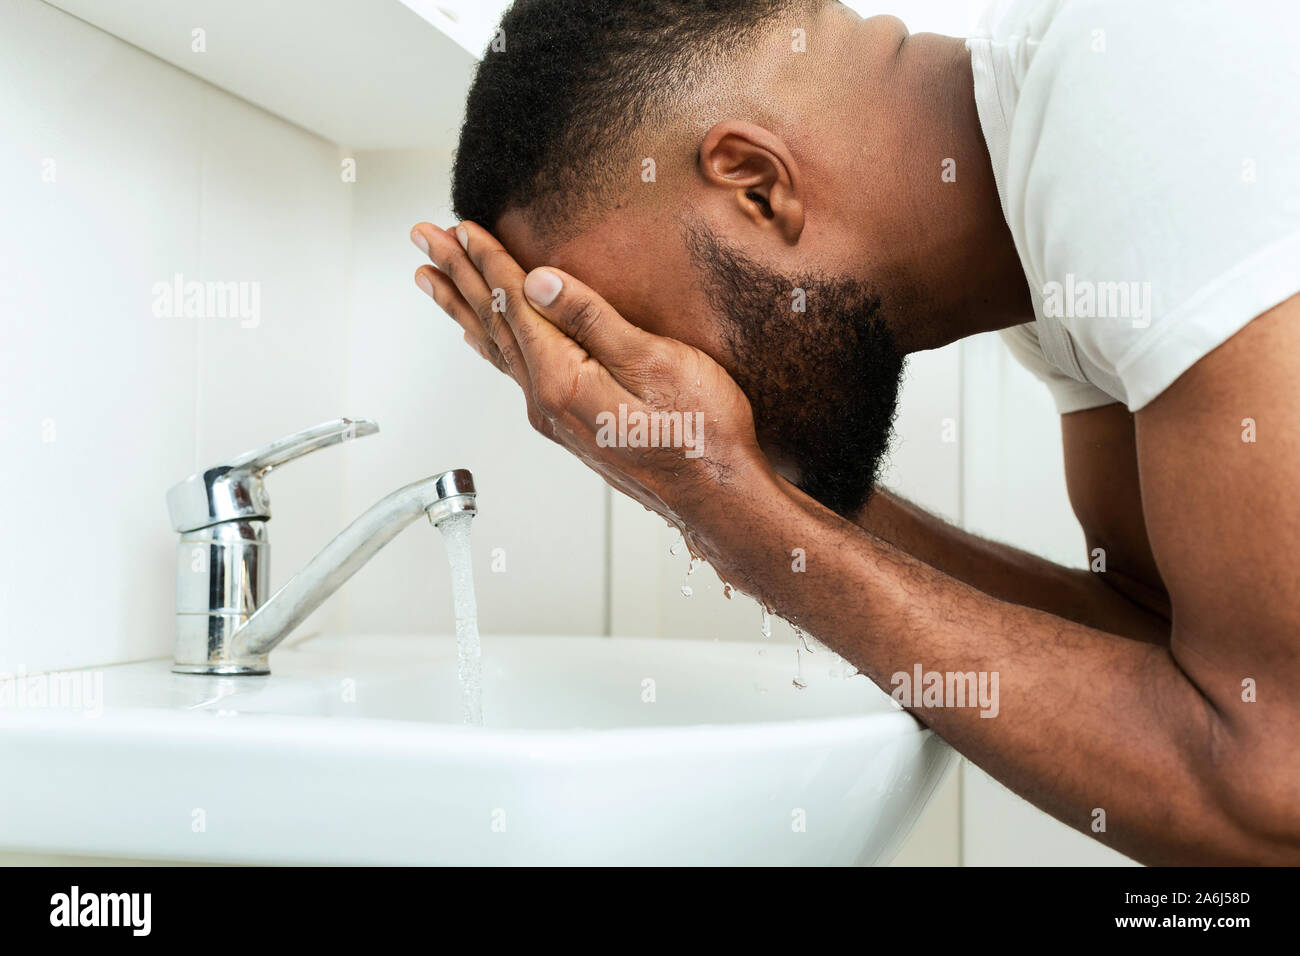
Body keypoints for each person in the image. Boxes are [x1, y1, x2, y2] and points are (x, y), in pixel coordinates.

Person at [410, 0, 1300, 864]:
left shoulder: (1136, 85)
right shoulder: (1056, 226)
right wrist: (742, 484)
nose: (643, 382)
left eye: (629, 331)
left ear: (757, 186)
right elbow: (1158, 640)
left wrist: (730, 510)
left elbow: (1273, 784)